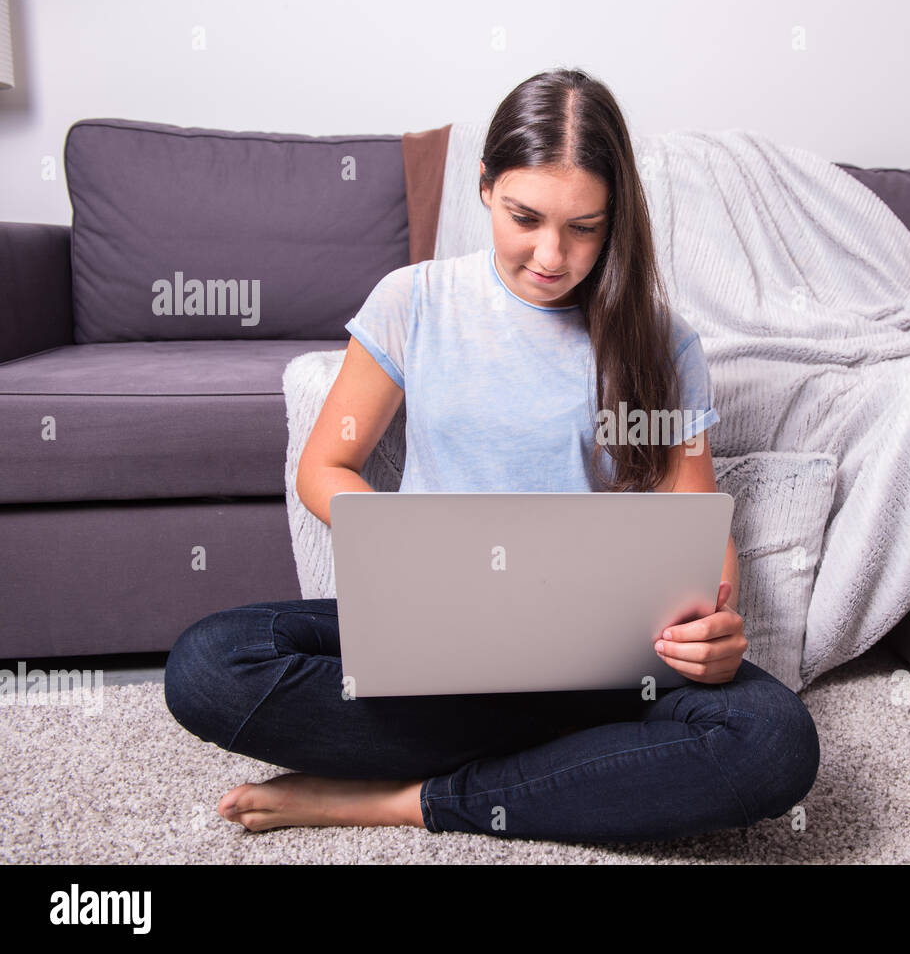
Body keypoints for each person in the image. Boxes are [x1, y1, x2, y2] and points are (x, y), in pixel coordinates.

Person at [164, 67, 820, 844]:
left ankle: (401, 799)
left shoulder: (660, 340)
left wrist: (714, 621)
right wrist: (406, 541)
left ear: (617, 221)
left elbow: (698, 518)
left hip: (603, 668)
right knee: (210, 662)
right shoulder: (413, 300)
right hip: (437, 653)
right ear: (484, 186)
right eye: (526, 217)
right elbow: (324, 466)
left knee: (775, 740)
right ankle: (561, 770)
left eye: (585, 227)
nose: (552, 254)